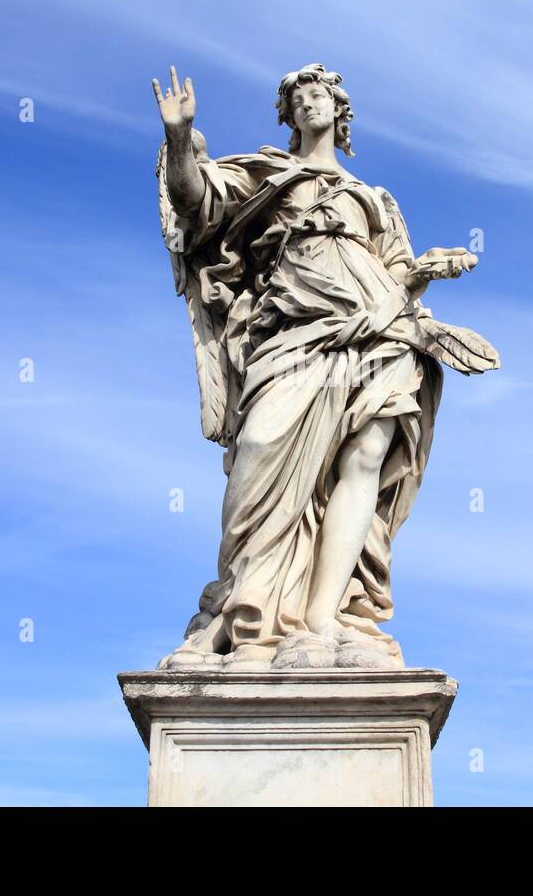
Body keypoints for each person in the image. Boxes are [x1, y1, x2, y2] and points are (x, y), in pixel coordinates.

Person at [153, 63, 498, 670]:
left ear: (341, 111)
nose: (310, 103)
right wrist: (180, 138)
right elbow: (194, 204)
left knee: (364, 459)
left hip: (377, 334)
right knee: (259, 449)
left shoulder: (374, 199)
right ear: (287, 116)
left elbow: (396, 275)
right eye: (298, 98)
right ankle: (249, 617)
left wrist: (423, 271)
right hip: (292, 333)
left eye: (321, 95)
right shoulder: (264, 177)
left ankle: (322, 623)